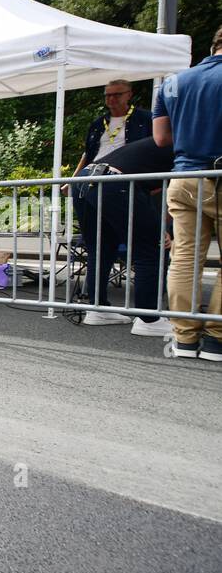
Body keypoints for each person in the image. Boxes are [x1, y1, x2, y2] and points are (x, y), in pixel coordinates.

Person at [153, 25, 222, 361]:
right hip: (218, 173)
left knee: (183, 259)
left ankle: (184, 338)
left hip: (183, 177)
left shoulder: (174, 81)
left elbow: (162, 139)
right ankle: (217, 338)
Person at [70, 136, 174, 334]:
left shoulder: (162, 142)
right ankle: (148, 319)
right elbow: (179, 192)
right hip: (115, 182)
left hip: (85, 180)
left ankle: (97, 308)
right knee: (150, 250)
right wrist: (163, 228)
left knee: (100, 249)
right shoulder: (192, 148)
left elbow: (147, 190)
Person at [74, 80, 153, 177]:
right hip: (94, 173)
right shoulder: (98, 124)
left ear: (129, 95)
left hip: (125, 175)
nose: (111, 98)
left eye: (117, 95)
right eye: (108, 95)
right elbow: (87, 154)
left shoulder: (145, 119)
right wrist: (73, 179)